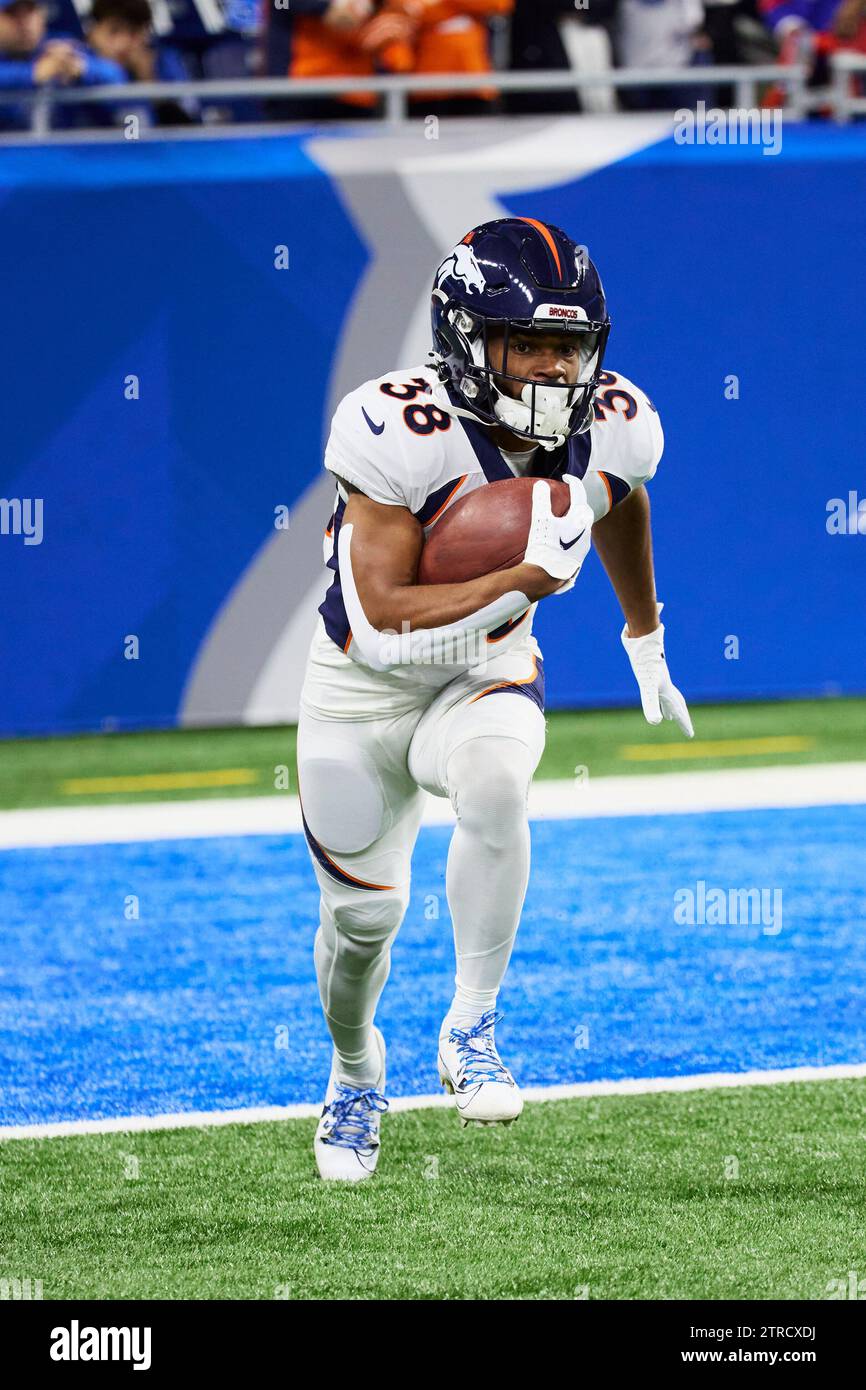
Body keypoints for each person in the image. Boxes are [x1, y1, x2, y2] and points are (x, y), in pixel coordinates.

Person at [298, 217, 693, 1182]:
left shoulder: (616, 418)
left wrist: (645, 642)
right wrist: (517, 573)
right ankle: (356, 1072)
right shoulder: (392, 424)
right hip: (362, 688)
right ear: (466, 342)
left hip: (483, 672)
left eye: (571, 349)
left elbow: (619, 494)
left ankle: (470, 1027)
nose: (556, 374)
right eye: (530, 346)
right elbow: (383, 616)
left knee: (496, 786)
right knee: (361, 931)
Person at [0, 0, 127, 130]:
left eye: (31, 11)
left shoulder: (60, 47)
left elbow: (115, 76)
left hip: (64, 146)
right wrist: (32, 73)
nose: (25, 22)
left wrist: (80, 69)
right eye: (12, 14)